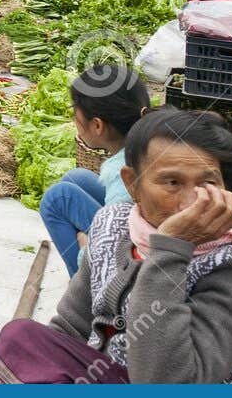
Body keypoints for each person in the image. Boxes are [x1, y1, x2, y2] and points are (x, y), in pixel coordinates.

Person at [0, 107, 232, 383]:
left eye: (207, 183)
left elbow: (167, 385)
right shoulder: (114, 226)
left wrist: (172, 248)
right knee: (23, 339)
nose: (190, 202)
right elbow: (70, 328)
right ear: (131, 184)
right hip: (111, 375)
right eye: (172, 182)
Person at [37, 66, 149, 276]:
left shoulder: (123, 174)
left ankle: (82, 286)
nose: (73, 119)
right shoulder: (146, 141)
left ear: (97, 126)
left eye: (74, 112)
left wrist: (83, 242)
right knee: (76, 178)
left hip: (127, 267)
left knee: (56, 199)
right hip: (135, 230)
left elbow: (116, 250)